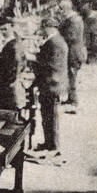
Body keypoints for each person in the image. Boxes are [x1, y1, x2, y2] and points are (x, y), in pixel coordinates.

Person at [31, 17, 68, 161]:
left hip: (51, 84)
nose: (42, 31)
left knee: (51, 117)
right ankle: (48, 143)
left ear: (48, 27)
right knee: (47, 115)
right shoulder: (56, 40)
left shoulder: (55, 42)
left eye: (43, 28)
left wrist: (33, 59)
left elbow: (50, 64)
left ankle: (54, 147)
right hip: (52, 82)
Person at [57, 0, 86, 113]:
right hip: (75, 51)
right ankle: (70, 98)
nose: (60, 12)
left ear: (66, 9)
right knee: (70, 76)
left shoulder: (73, 20)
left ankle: (74, 102)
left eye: (61, 10)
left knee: (72, 77)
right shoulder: (75, 18)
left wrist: (57, 38)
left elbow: (71, 37)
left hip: (73, 53)